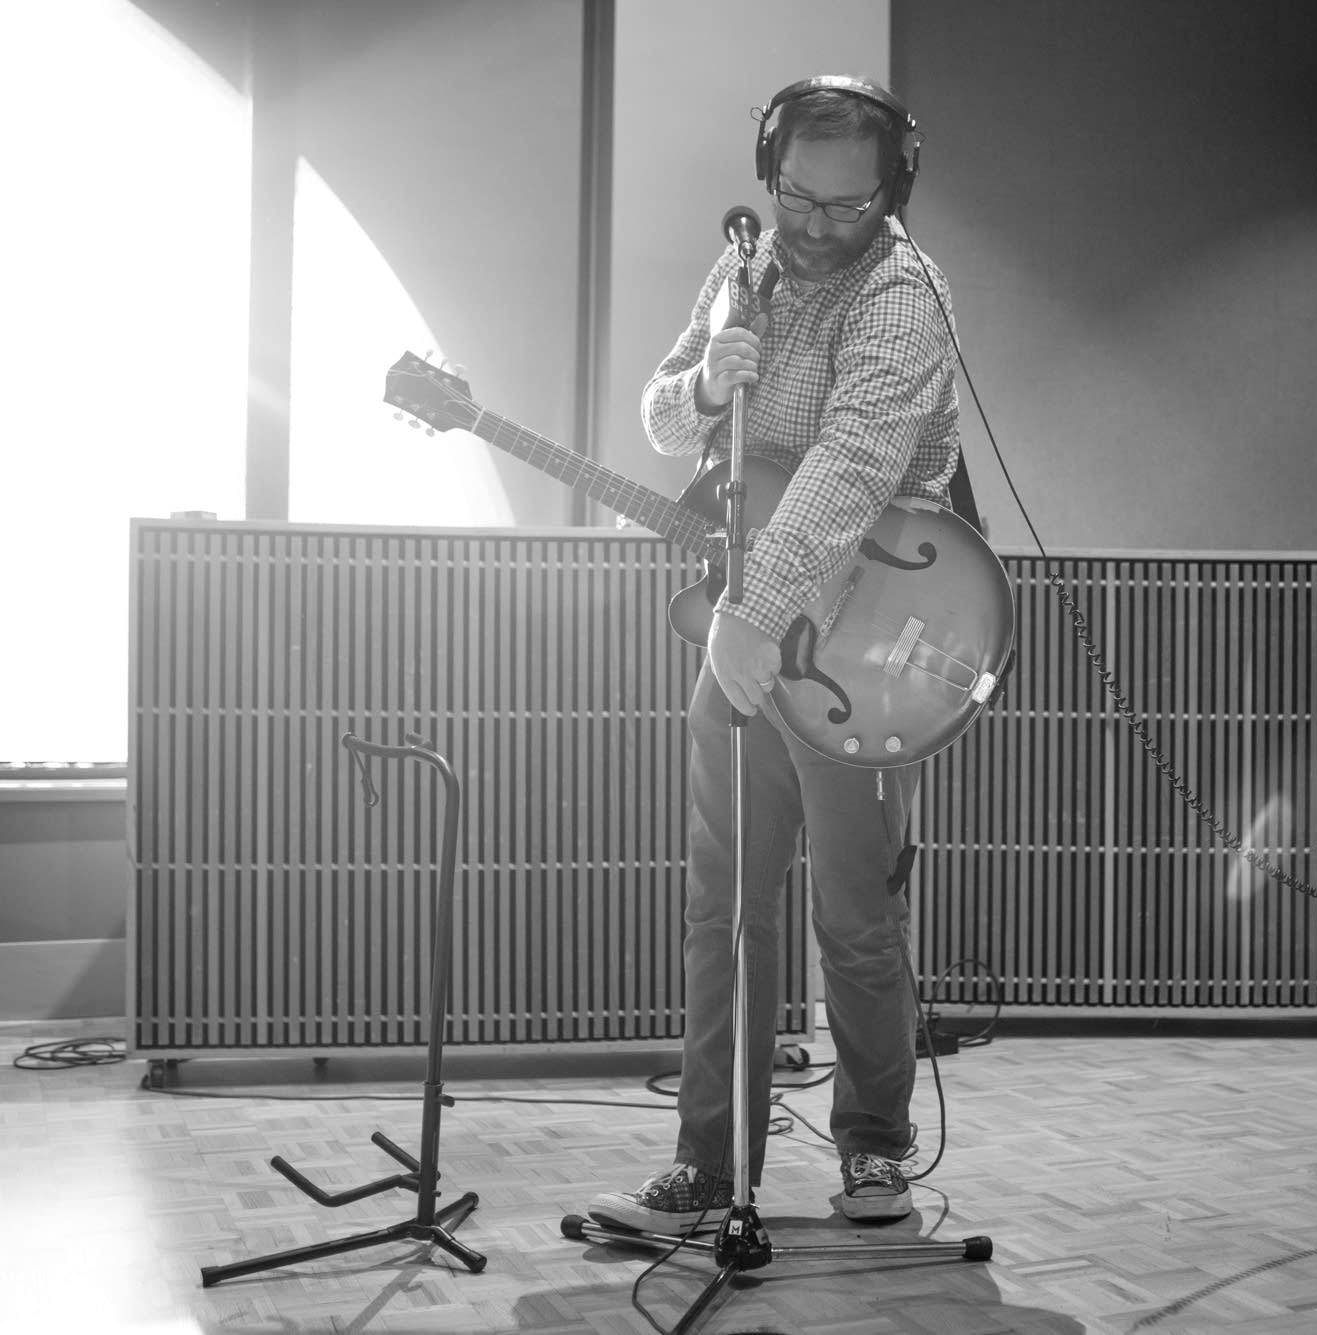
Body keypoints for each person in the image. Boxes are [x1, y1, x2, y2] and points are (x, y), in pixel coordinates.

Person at [586, 75, 960, 1235]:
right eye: (795, 196)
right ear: (768, 171)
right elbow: (657, 418)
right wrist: (705, 380)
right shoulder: (744, 269)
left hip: (860, 638)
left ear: (889, 193)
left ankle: (873, 1151)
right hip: (750, 623)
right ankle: (709, 1159)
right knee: (723, 907)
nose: (812, 227)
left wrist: (749, 617)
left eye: (843, 209)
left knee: (851, 915)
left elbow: (847, 472)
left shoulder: (903, 296)